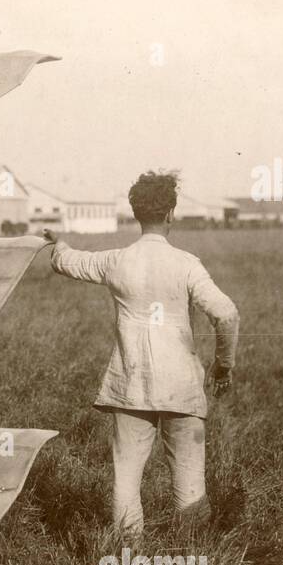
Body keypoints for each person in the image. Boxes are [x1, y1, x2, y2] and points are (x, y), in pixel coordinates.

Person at [45, 171, 239, 535]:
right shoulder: (186, 264)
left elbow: (69, 262)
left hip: (130, 384)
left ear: (136, 213)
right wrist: (223, 367)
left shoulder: (117, 260)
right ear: (170, 214)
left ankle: (127, 558)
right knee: (190, 483)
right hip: (181, 386)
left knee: (126, 481)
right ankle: (191, 558)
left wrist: (59, 245)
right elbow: (226, 313)